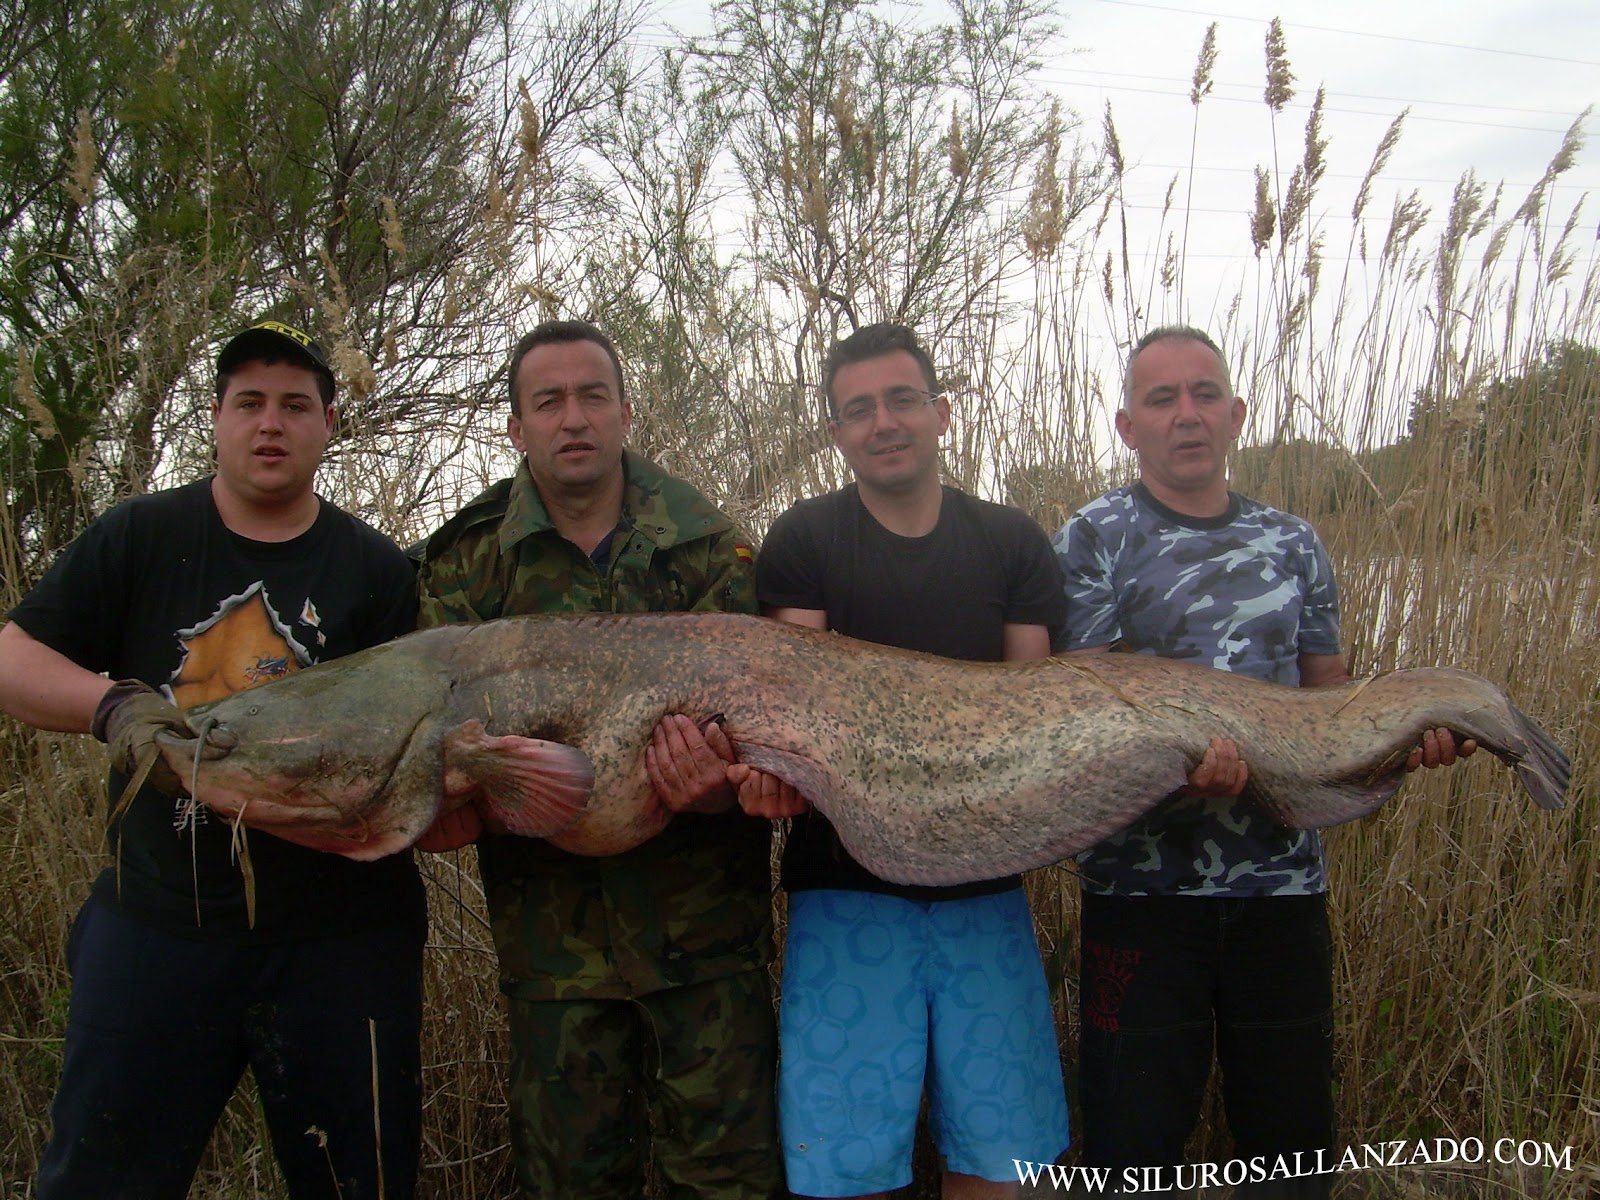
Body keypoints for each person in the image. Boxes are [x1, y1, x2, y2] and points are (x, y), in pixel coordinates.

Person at [0, 320, 426, 1199]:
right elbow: (13, 658)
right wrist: (112, 707)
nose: (270, 423)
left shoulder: (378, 570)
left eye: (295, 406)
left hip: (342, 942)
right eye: (249, 402)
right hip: (157, 927)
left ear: (328, 425)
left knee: (362, 1182)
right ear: (218, 417)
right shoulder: (139, 535)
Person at [1052, 324, 1471, 1197]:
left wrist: (1407, 741)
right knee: (1131, 1152)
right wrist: (1179, 762)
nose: (1187, 414)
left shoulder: (1295, 542)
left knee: (1291, 1152)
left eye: (1205, 394)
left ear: (1237, 414)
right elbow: (1089, 711)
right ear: (1128, 427)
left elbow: (1332, 705)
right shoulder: (1091, 539)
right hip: (1138, 896)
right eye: (1161, 398)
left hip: (1282, 892)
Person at [411, 318, 782, 1198]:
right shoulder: (464, 564)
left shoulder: (709, 547)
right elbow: (438, 744)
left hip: (705, 939)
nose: (572, 418)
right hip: (553, 950)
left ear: (625, 413)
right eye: (548, 402)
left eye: (592, 397)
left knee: (725, 1179)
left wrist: (714, 786)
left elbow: (763, 729)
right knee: (573, 1181)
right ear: (516, 427)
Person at [733, 322, 1072, 1199]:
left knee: (999, 1162)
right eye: (859, 409)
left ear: (941, 412)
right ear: (837, 433)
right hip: (843, 892)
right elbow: (792, 712)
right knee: (845, 1172)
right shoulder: (804, 539)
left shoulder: (1012, 541)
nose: (883, 422)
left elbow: (1031, 714)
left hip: (987, 893)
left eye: (902, 400)